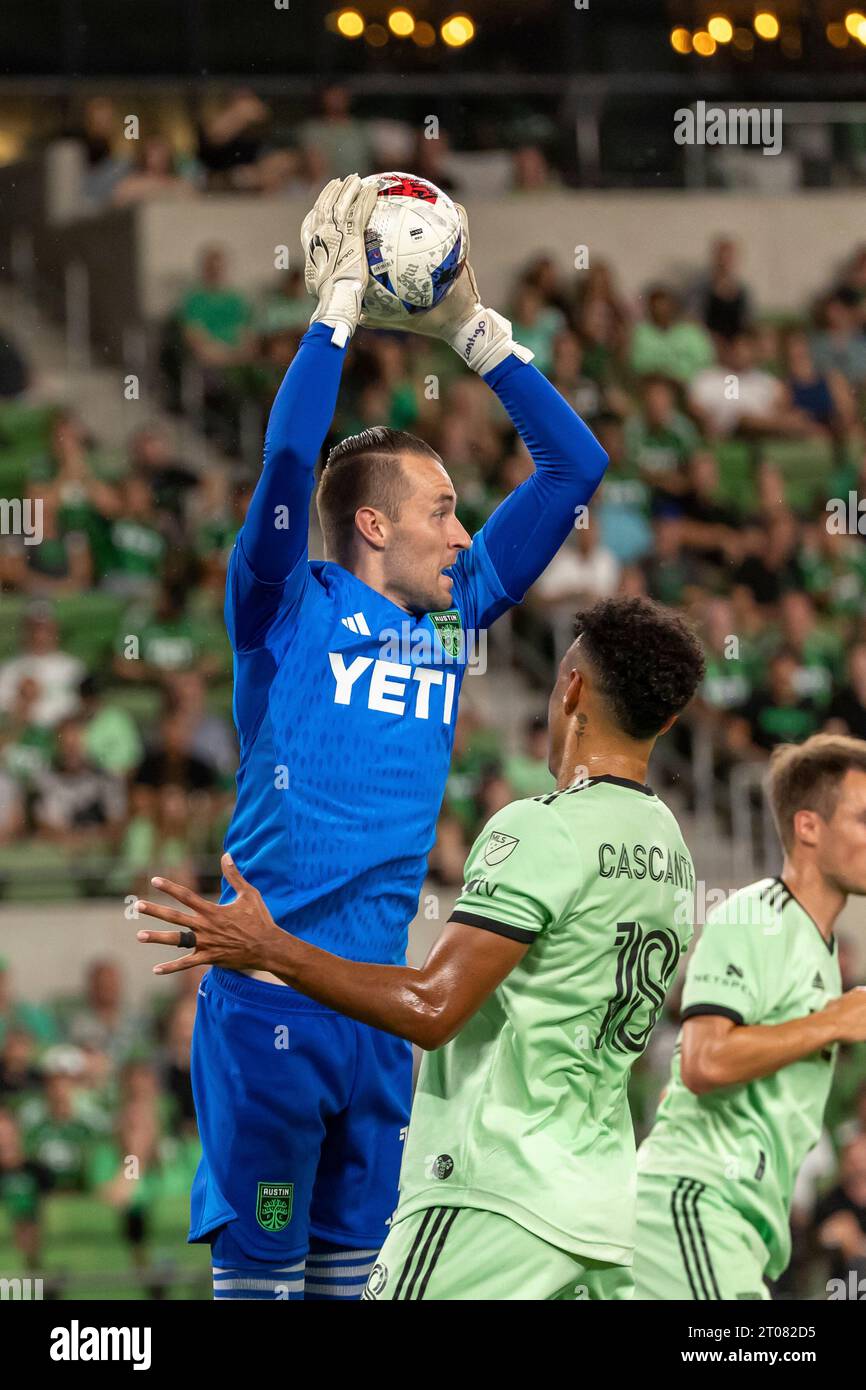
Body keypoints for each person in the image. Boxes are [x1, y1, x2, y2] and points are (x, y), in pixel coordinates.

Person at [136, 174, 608, 1301]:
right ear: (370, 524)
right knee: (262, 1290)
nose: (462, 530)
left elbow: (573, 468)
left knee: (355, 1289)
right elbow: (289, 465)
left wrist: (473, 332)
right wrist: (336, 309)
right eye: (441, 508)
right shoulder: (280, 603)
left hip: (373, 1009)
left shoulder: (452, 617)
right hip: (264, 999)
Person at [135, 596, 706, 1300]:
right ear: (669, 719)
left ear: (572, 688)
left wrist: (270, 947)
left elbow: (434, 1007)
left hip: (495, 1198)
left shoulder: (542, 828)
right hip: (601, 1209)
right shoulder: (671, 847)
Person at [634, 734, 866, 1300]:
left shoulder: (817, 946)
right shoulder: (757, 916)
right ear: (809, 827)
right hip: (695, 1199)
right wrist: (833, 1021)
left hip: (737, 1224)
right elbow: (705, 1061)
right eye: (863, 818)